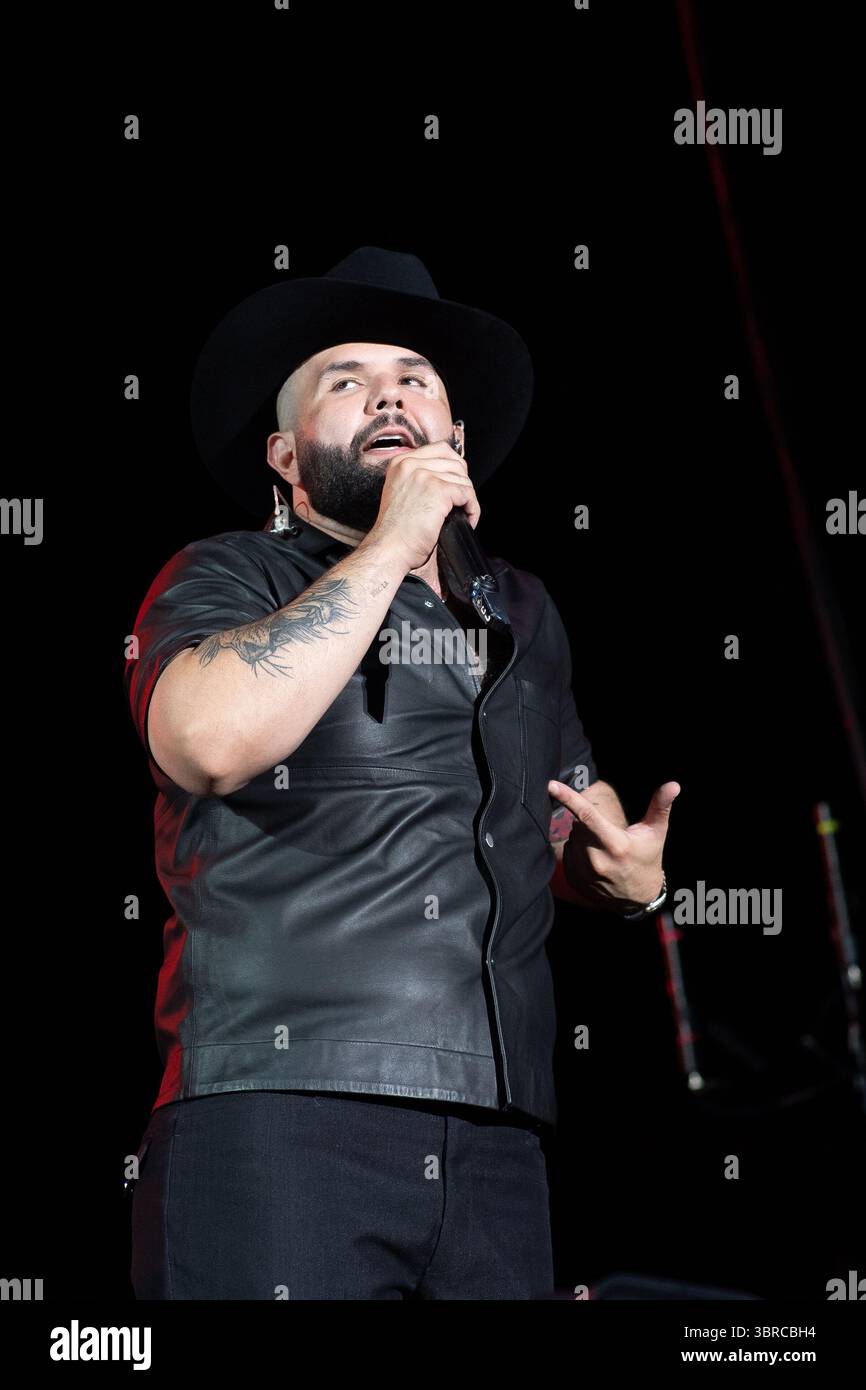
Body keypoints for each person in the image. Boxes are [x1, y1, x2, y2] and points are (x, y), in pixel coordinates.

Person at [124, 247, 679, 1300]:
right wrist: (389, 546)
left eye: (415, 378)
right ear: (285, 455)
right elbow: (203, 739)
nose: (388, 392)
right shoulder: (227, 574)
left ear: (455, 436)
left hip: (498, 1141)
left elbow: (558, 818)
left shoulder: (521, 611)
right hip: (280, 1115)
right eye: (345, 379)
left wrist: (616, 874)